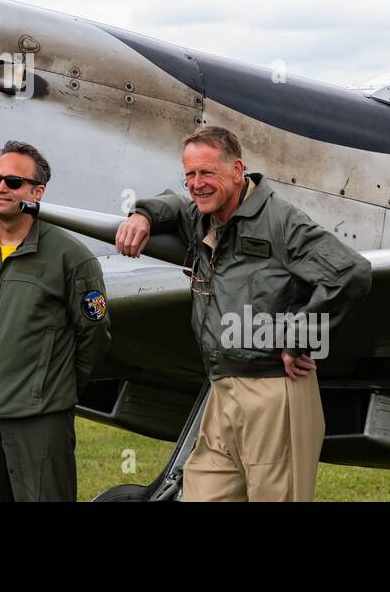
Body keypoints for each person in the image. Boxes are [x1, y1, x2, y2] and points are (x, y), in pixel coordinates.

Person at [114, 126, 371, 502]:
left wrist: (296, 339)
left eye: (207, 173)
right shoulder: (205, 215)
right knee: (203, 493)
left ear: (237, 170)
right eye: (190, 174)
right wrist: (142, 216)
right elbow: (172, 204)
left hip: (274, 392)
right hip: (222, 388)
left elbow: (350, 273)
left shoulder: (280, 221)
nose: (197, 184)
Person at [0, 140, 112, 502]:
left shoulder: (72, 257)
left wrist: (50, 388)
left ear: (37, 192)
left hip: (40, 421)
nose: (0, 188)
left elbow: (95, 335)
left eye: (13, 182)